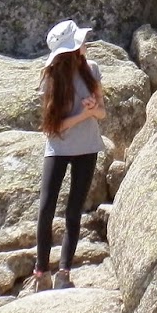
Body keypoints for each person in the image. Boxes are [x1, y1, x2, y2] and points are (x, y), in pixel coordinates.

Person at [23, 19, 106, 294]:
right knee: (46, 209)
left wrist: (94, 108)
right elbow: (53, 127)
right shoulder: (52, 78)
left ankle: (64, 272)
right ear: (71, 49)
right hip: (58, 148)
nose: (85, 44)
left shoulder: (92, 70)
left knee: (73, 211)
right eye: (81, 41)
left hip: (87, 147)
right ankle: (41, 271)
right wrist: (85, 114)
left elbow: (103, 113)